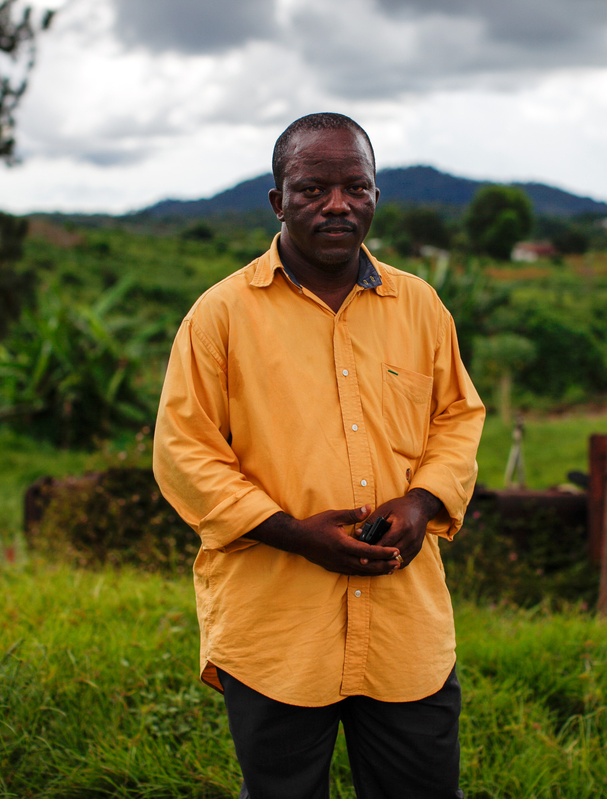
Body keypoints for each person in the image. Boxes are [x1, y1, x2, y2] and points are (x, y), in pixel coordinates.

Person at [152, 112, 485, 798]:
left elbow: (458, 416)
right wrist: (293, 533)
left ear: (375, 197)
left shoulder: (421, 306)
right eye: (311, 189)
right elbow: (185, 451)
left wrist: (423, 502)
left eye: (355, 187)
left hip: (404, 629)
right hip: (277, 628)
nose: (337, 205)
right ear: (277, 201)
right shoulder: (220, 315)